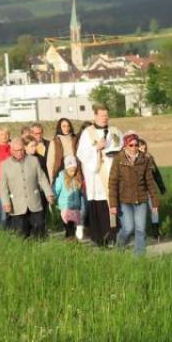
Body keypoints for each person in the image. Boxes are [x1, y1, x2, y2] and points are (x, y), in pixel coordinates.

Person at [77, 104, 123, 246]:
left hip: (112, 172)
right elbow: (81, 154)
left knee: (113, 204)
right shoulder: (87, 133)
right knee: (99, 205)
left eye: (106, 115)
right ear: (95, 116)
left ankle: (114, 236)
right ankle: (99, 238)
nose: (105, 118)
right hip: (96, 176)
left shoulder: (114, 131)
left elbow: (121, 146)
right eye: (102, 115)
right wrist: (96, 148)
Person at [108, 131, 159, 257]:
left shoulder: (144, 159)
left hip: (141, 199)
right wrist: (113, 204)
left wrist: (155, 202)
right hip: (124, 201)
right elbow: (113, 182)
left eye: (136, 145)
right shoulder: (118, 160)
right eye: (131, 145)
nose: (134, 147)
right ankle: (119, 249)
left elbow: (150, 182)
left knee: (140, 229)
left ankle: (139, 258)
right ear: (125, 146)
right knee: (128, 228)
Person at [0, 137, 54, 239]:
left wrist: (48, 193)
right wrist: (6, 203)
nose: (19, 152)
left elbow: (42, 178)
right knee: (21, 233)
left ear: (24, 149)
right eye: (16, 150)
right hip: (17, 205)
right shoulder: (4, 165)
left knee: (39, 229)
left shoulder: (34, 160)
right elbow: (3, 187)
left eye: (21, 150)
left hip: (34, 202)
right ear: (11, 151)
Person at [137, 137, 166, 236]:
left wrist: (162, 187)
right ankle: (140, 232)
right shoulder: (132, 160)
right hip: (138, 190)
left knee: (154, 209)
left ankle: (156, 231)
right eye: (141, 148)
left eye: (144, 148)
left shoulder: (150, 158)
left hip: (150, 189)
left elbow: (156, 174)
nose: (143, 150)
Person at [53, 158, 87, 241]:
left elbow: (80, 193)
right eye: (71, 170)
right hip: (65, 207)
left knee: (74, 226)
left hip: (76, 207)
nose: (73, 172)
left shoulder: (77, 178)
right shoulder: (61, 178)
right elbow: (56, 189)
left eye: (74, 170)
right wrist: (53, 198)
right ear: (66, 169)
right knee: (69, 226)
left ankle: (72, 240)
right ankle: (70, 240)